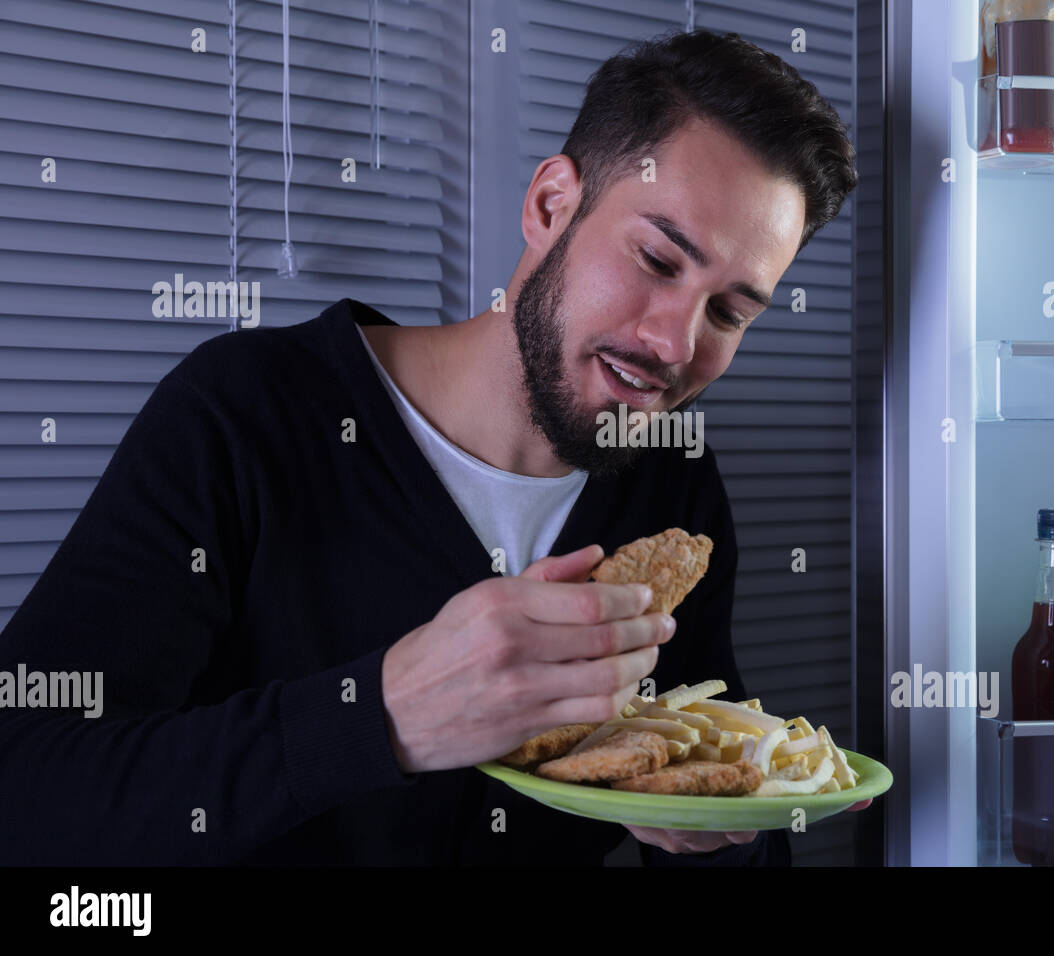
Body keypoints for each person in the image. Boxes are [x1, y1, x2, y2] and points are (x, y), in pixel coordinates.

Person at [0, 29, 858, 865]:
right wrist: (380, 716)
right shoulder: (246, 415)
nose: (676, 344)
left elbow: (713, 781)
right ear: (551, 205)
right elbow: (26, 787)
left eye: (730, 312)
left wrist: (715, 829)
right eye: (658, 260)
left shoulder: (672, 478)